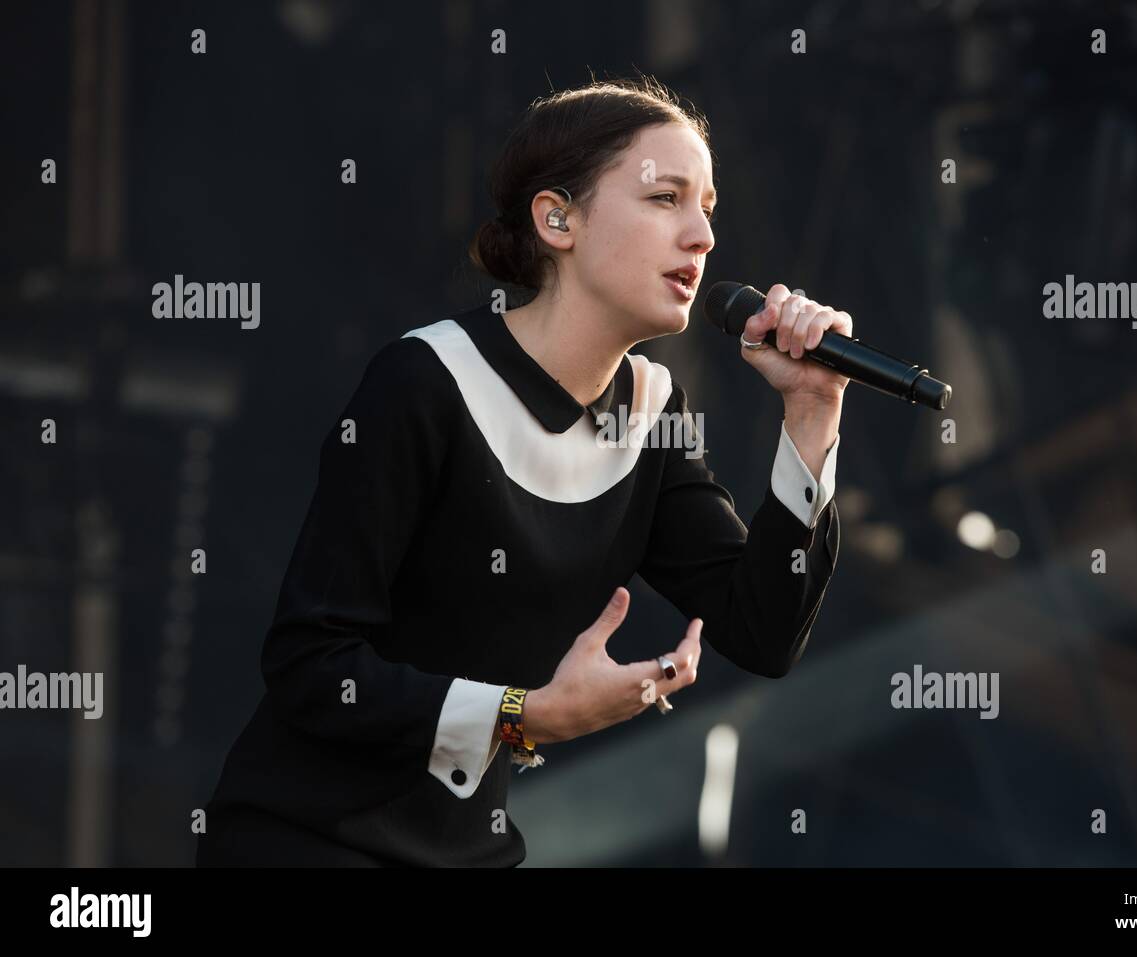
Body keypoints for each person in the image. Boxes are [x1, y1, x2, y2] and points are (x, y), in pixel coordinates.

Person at [196, 75, 849, 867]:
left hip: (469, 851)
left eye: (708, 206)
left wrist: (812, 412)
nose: (703, 236)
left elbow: (763, 631)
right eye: (665, 197)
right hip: (309, 842)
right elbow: (311, 664)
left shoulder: (653, 408)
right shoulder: (425, 380)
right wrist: (520, 716)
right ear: (556, 218)